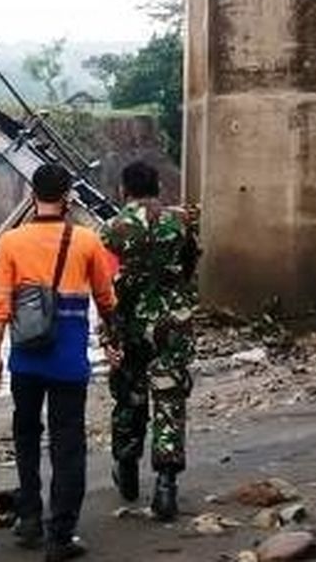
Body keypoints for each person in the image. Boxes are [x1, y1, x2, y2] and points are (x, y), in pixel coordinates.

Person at [0, 163, 119, 561]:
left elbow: (0, 304)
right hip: (68, 363)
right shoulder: (86, 241)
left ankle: (29, 518)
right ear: (68, 198)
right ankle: (60, 536)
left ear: (32, 197)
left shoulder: (9, 242)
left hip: (25, 360)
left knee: (26, 436)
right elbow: (106, 299)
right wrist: (111, 342)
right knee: (68, 445)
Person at [101, 161, 200, 521]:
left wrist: (107, 334)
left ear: (123, 190)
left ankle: (127, 471)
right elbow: (189, 266)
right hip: (173, 322)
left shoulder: (110, 230)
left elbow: (105, 286)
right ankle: (165, 486)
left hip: (128, 325)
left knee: (129, 395)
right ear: (158, 187)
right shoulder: (182, 222)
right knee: (170, 397)